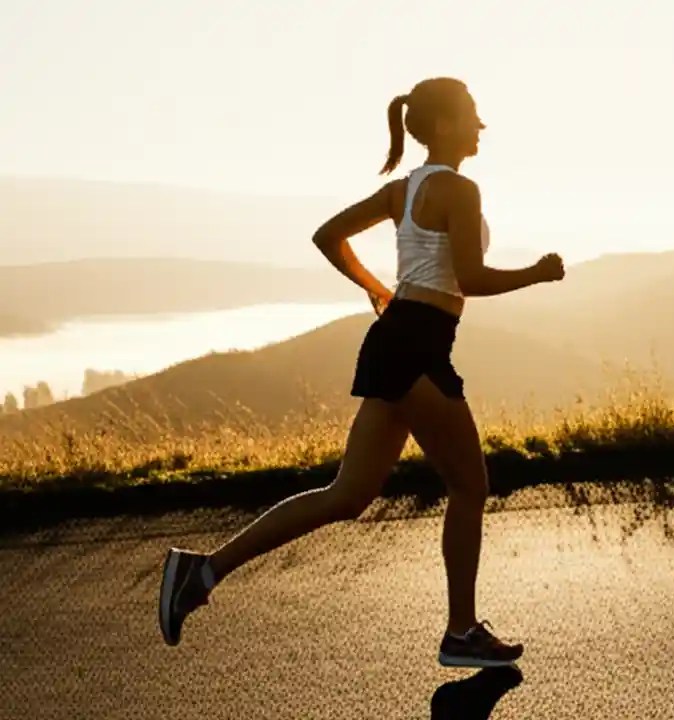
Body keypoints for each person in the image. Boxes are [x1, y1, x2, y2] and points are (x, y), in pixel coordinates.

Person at [157, 76, 564, 668]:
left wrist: (378, 289)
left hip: (395, 341)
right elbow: (471, 279)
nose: (482, 126)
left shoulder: (404, 191)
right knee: (470, 486)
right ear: (446, 124)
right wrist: (537, 272)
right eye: (473, 115)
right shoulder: (459, 189)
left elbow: (328, 236)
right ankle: (460, 631)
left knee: (347, 495)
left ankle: (203, 571)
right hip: (418, 347)